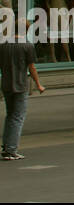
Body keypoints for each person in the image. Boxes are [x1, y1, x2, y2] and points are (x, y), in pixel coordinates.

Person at [1, 20, 44, 160]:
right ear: (26, 30)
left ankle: (6, 146)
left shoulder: (3, 46)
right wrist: (38, 85)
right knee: (18, 116)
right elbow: (31, 67)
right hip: (20, 85)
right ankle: (11, 149)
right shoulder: (27, 46)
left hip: (6, 84)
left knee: (10, 115)